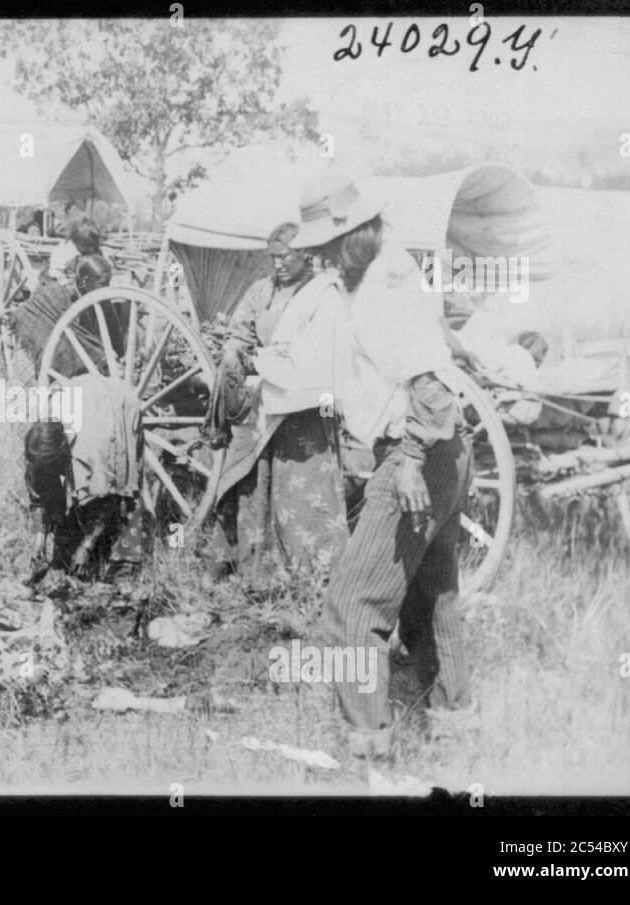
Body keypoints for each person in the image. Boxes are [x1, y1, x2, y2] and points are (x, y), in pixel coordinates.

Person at [292, 172, 476, 760]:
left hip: (418, 453)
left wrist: (410, 462)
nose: (320, 258)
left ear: (351, 238)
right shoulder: (385, 272)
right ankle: (454, 729)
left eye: (326, 246)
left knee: (352, 603)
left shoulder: (381, 287)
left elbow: (429, 388)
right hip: (448, 453)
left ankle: (366, 751)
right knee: (431, 593)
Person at [204, 223, 348, 583]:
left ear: (304, 254)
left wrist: (274, 363)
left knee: (302, 490)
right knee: (247, 477)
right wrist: (235, 353)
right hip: (266, 397)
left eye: (284, 256)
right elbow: (240, 333)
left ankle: (314, 571)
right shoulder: (260, 292)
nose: (278, 265)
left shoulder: (321, 293)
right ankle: (253, 565)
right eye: (273, 258)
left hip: (305, 403)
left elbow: (320, 352)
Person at [22, 373, 145, 581]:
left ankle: (123, 560)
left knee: (122, 492)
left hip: (116, 405)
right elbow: (38, 492)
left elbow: (109, 497)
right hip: (80, 399)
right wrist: (39, 540)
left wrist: (87, 546)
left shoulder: (91, 448)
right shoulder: (40, 438)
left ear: (63, 453)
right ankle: (76, 536)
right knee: (65, 545)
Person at [9, 254, 117, 379]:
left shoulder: (83, 296)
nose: (107, 287)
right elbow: (73, 338)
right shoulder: (55, 296)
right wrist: (101, 355)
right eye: (103, 283)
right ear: (84, 282)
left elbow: (84, 336)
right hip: (29, 358)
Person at [47, 217, 103, 283]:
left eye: (93, 245)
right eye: (88, 245)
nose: (91, 248)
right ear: (78, 241)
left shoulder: (96, 250)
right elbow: (56, 276)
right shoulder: (62, 252)